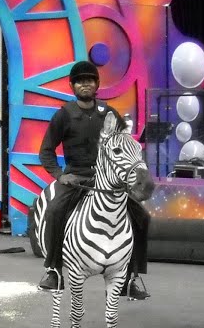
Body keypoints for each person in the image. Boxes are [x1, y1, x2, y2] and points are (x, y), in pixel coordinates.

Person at [36, 60, 151, 299]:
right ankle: (53, 270)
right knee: (54, 211)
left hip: (107, 181)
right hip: (76, 178)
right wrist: (60, 175)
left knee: (142, 217)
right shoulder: (63, 115)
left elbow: (124, 144)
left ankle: (132, 277)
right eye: (80, 81)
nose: (85, 84)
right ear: (72, 86)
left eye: (89, 80)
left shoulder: (109, 114)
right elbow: (46, 151)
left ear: (97, 84)